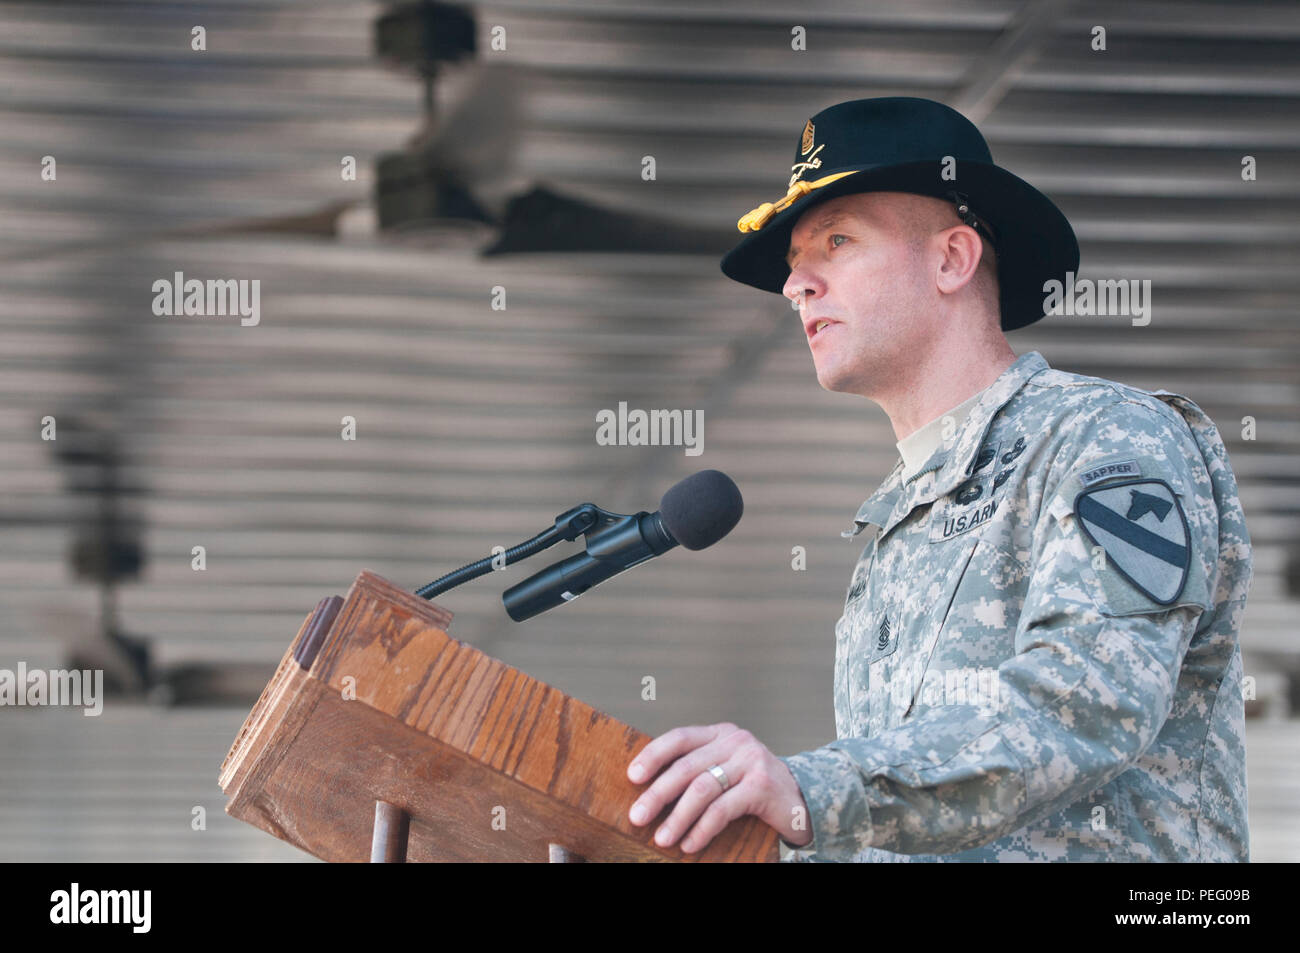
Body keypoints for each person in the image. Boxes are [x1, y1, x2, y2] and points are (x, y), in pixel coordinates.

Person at [625, 97, 1253, 862]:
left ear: (952, 259)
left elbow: (1088, 701)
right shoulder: (893, 530)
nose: (797, 285)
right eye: (795, 264)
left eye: (837, 240)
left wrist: (807, 788)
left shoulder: (1103, 437)